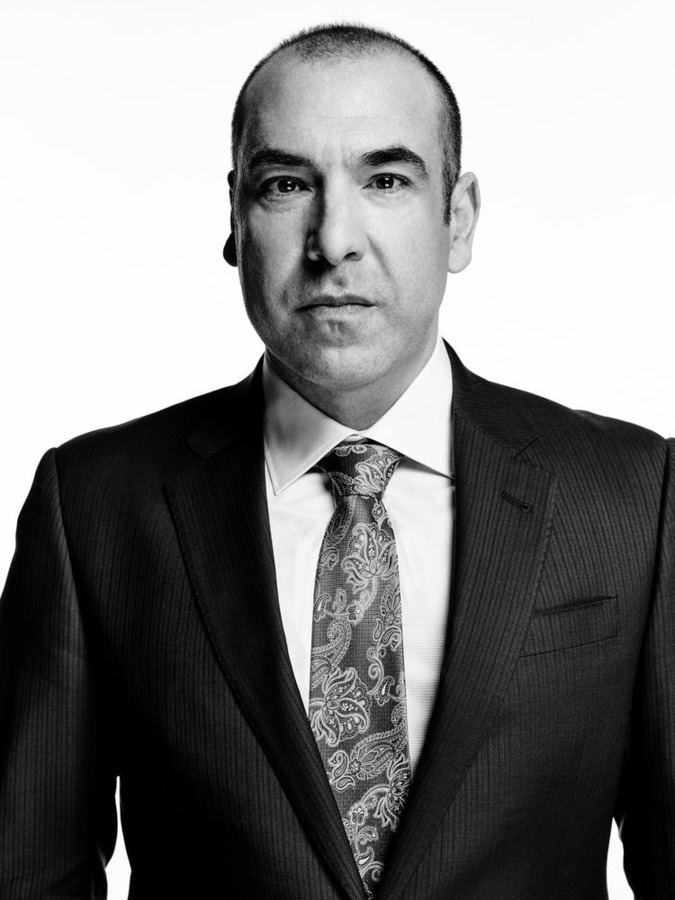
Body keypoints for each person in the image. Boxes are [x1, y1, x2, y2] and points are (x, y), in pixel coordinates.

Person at [0, 22, 673, 900]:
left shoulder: (634, 495)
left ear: (458, 219)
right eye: (286, 185)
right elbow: (27, 871)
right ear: (235, 219)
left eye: (386, 180)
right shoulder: (94, 506)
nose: (334, 239)